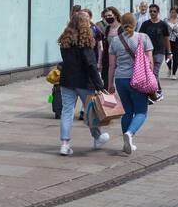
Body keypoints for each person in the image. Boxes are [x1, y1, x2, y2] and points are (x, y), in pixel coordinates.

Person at [57, 12, 109, 156]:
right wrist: (100, 85)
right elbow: (91, 65)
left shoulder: (65, 40)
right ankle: (98, 137)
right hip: (84, 82)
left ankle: (65, 144)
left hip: (67, 80)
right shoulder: (85, 41)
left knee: (67, 112)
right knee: (91, 111)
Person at [107, 12, 153, 154]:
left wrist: (110, 84)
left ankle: (126, 143)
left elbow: (111, 65)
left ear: (121, 23)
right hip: (138, 79)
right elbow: (150, 63)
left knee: (127, 111)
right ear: (135, 23)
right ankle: (130, 133)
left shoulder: (115, 40)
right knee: (141, 112)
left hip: (120, 79)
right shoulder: (143, 37)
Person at [138, 4, 171, 87]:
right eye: (150, 11)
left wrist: (169, 52)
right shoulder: (145, 24)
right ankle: (158, 89)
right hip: (148, 52)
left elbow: (167, 39)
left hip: (159, 52)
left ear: (158, 12)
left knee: (154, 72)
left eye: (154, 11)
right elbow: (140, 37)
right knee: (150, 72)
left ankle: (154, 90)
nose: (152, 13)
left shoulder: (163, 24)